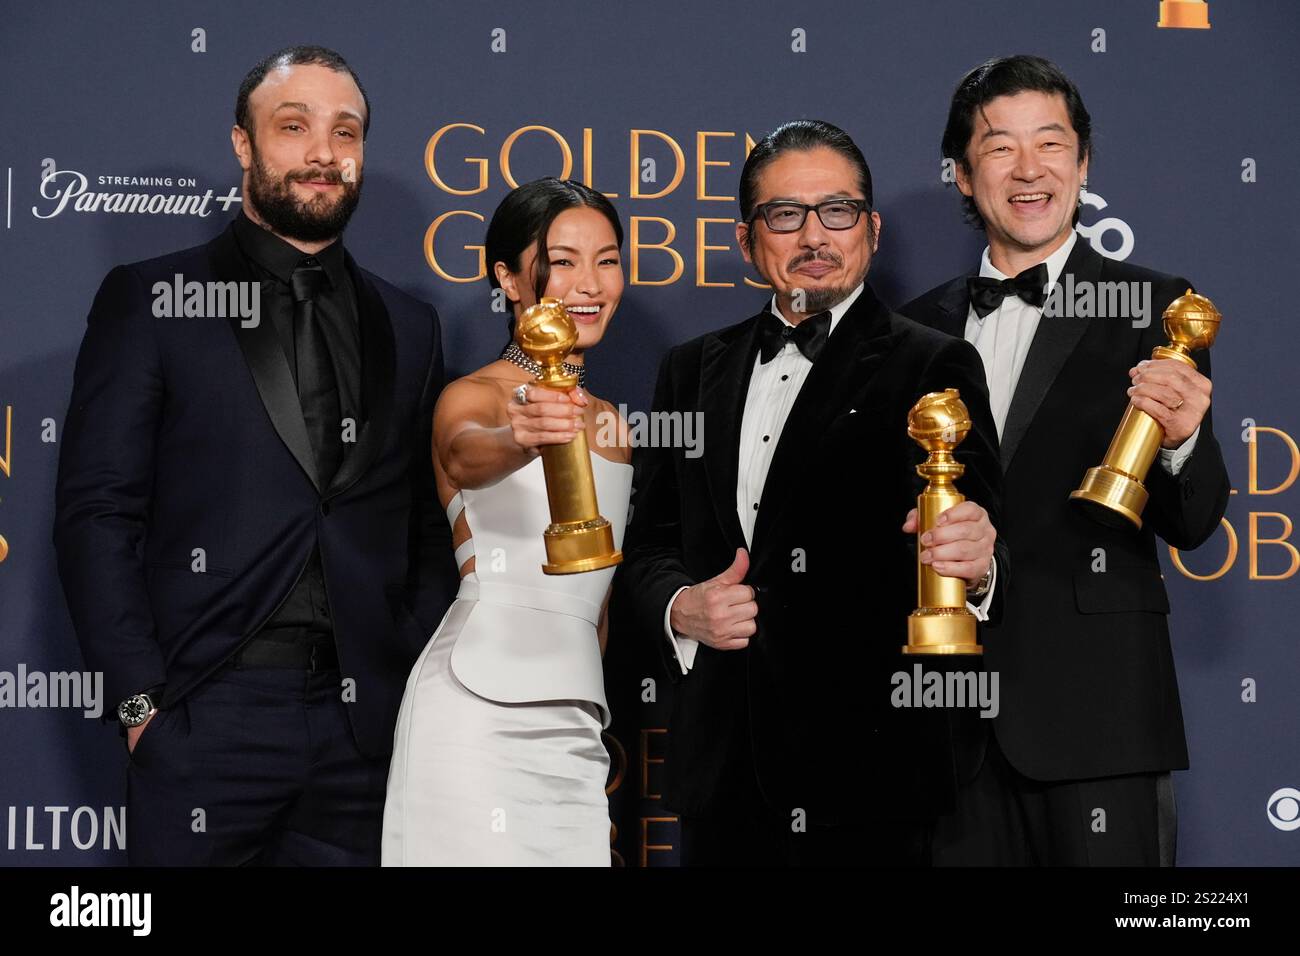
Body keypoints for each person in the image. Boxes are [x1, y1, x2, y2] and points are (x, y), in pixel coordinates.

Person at [53, 46, 457, 865]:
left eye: (346, 132)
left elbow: (422, 522)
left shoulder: (410, 326)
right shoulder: (153, 299)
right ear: (243, 144)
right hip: (205, 714)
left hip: (362, 734)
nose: (322, 153)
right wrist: (141, 705)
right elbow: (98, 512)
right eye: (294, 127)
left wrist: (402, 675)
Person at [616, 120, 1009, 866]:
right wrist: (680, 605)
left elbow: (984, 532)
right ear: (744, 240)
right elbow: (650, 545)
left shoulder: (935, 363)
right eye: (785, 214)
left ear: (872, 230)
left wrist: (981, 563)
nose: (814, 235)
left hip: (872, 771)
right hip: (723, 767)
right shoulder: (687, 370)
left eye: (838, 211)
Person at [901, 55, 1229, 866]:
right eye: (999, 147)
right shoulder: (911, 329)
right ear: (961, 174)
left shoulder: (1158, 307)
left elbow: (1191, 522)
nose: (1028, 169)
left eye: (1051, 144)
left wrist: (1184, 442)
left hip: (1101, 724)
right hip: (948, 729)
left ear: (1083, 165)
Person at [382, 178, 632, 866]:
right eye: (564, 260)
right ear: (509, 279)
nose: (589, 283)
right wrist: (522, 435)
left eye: (607, 259)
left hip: (576, 726)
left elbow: (597, 601)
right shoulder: (476, 397)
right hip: (470, 720)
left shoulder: (613, 422)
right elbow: (464, 456)